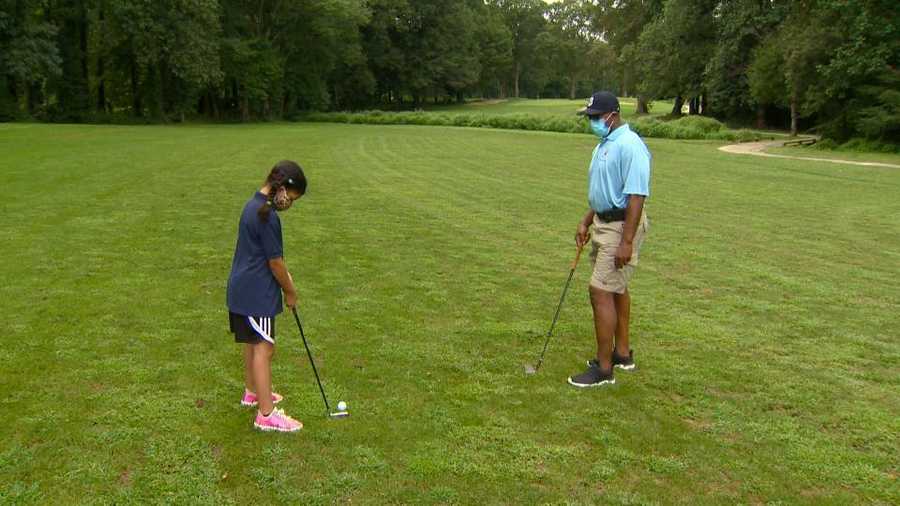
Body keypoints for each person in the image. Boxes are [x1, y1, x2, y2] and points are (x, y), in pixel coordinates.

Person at [568, 91, 651, 388]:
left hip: (621, 226)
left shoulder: (631, 145)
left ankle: (604, 370)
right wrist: (586, 220)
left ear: (611, 116)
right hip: (604, 222)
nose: (591, 122)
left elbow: (636, 195)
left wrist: (626, 242)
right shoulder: (605, 143)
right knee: (616, 288)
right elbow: (605, 191)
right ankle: (622, 354)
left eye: (594, 117)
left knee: (600, 290)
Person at [227, 160, 307, 431]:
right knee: (265, 348)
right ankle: (266, 414)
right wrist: (290, 292)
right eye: (291, 198)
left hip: (243, 288)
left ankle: (252, 392)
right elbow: (276, 263)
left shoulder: (252, 205)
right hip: (256, 293)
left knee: (253, 343)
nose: (289, 204)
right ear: (282, 187)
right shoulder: (267, 216)